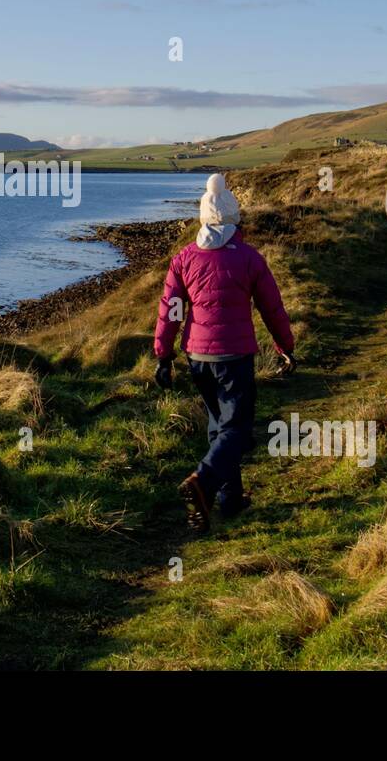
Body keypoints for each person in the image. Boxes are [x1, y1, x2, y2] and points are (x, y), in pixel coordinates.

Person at [153, 173, 295, 533]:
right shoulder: (249, 258)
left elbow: (171, 308)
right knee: (238, 428)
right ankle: (204, 480)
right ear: (234, 218)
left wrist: (163, 354)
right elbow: (271, 307)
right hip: (235, 356)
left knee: (219, 425)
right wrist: (285, 347)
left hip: (197, 357)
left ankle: (228, 499)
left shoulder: (184, 259)